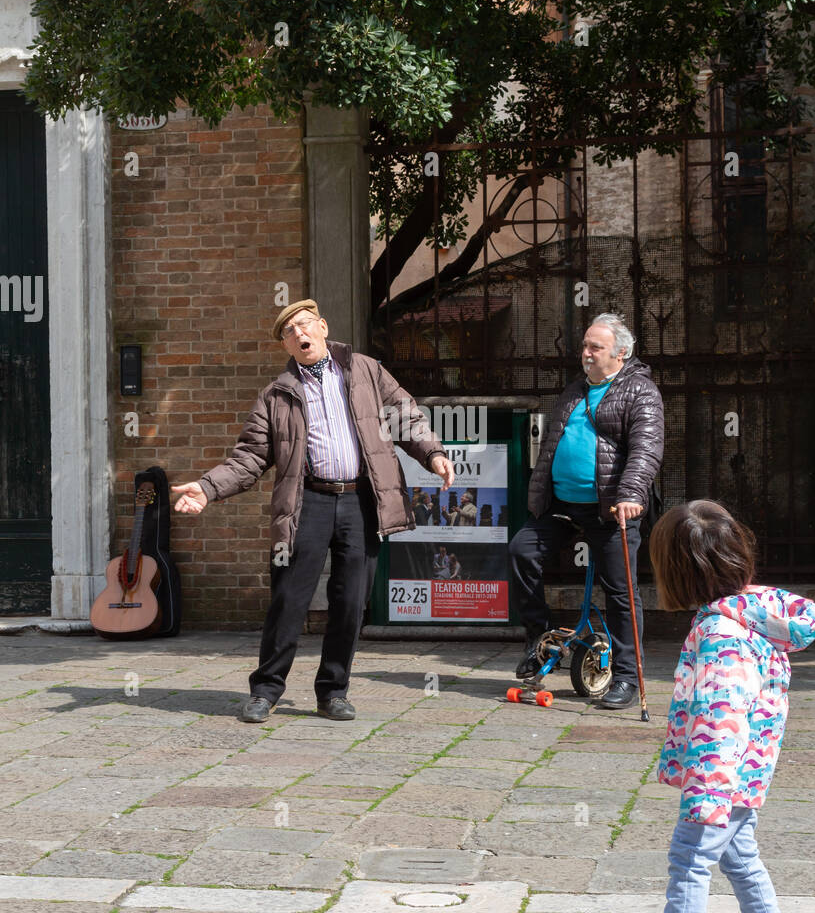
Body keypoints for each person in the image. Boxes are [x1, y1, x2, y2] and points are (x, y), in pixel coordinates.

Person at [172, 300, 454, 723]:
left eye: (304, 325)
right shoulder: (277, 394)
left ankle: (333, 691)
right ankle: (266, 689)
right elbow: (249, 458)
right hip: (308, 502)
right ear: (285, 344)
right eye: (289, 332)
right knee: (289, 597)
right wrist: (208, 488)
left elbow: (405, 416)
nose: (299, 334)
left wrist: (432, 453)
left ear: (322, 327)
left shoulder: (365, 370)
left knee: (351, 601)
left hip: (362, 501)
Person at [607, 500, 815, 913]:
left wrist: (706, 790)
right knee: (739, 853)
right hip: (744, 771)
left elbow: (721, 718)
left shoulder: (720, 632)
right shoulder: (752, 616)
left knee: (690, 857)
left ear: (678, 572)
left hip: (719, 774)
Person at [508, 313, 663, 708]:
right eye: (585, 346)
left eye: (596, 347)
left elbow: (646, 451)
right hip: (561, 506)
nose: (586, 353)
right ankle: (539, 637)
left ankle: (626, 677)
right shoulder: (574, 390)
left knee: (621, 592)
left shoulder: (640, 392)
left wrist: (630, 494)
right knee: (521, 551)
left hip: (612, 509)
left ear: (621, 353)